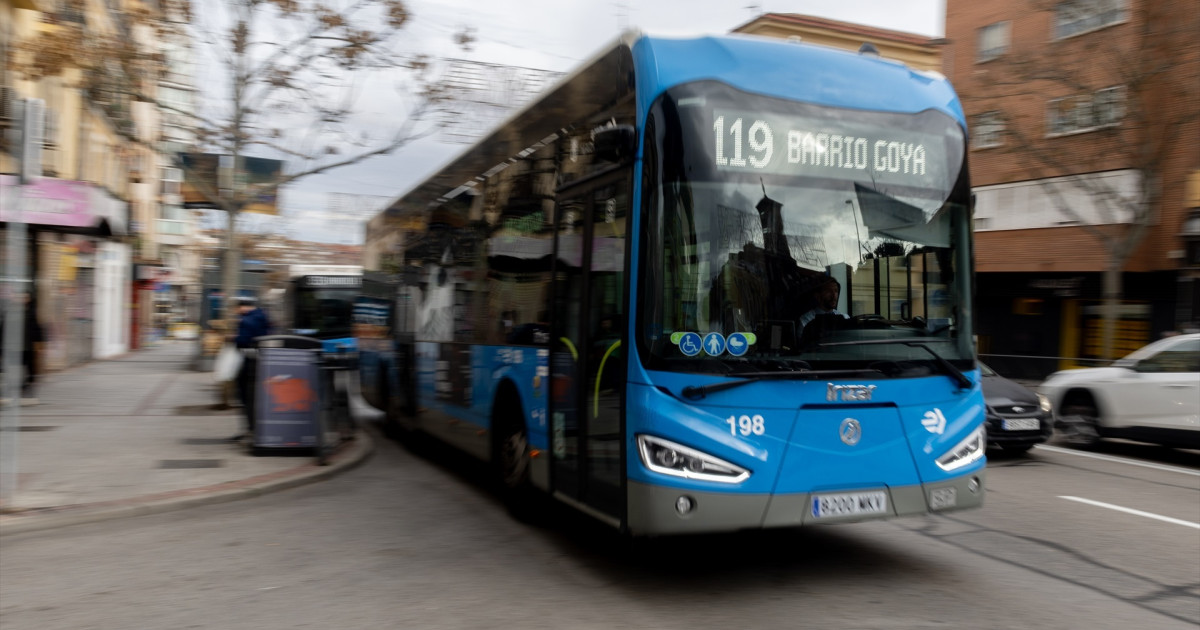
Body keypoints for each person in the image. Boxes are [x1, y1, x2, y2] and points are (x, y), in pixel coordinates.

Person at [231, 296, 271, 441]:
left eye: (237, 308)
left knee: (246, 397)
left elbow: (242, 341)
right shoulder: (262, 315)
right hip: (262, 362)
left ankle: (251, 430)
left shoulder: (247, 320)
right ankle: (253, 429)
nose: (236, 312)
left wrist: (233, 338)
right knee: (255, 397)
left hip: (250, 364)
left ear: (243, 306)